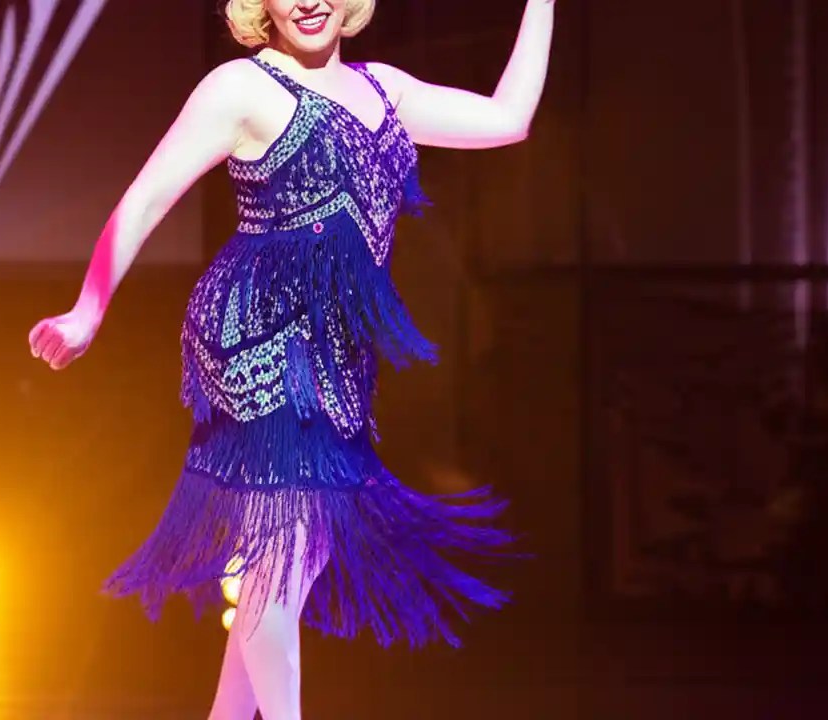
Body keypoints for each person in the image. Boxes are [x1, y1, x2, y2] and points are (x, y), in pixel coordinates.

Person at [28, 1, 555, 717]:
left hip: (336, 350)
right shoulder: (241, 89)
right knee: (284, 545)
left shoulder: (384, 92)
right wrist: (89, 309)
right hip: (257, 331)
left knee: (295, 555)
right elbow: (149, 197)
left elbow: (508, 118)